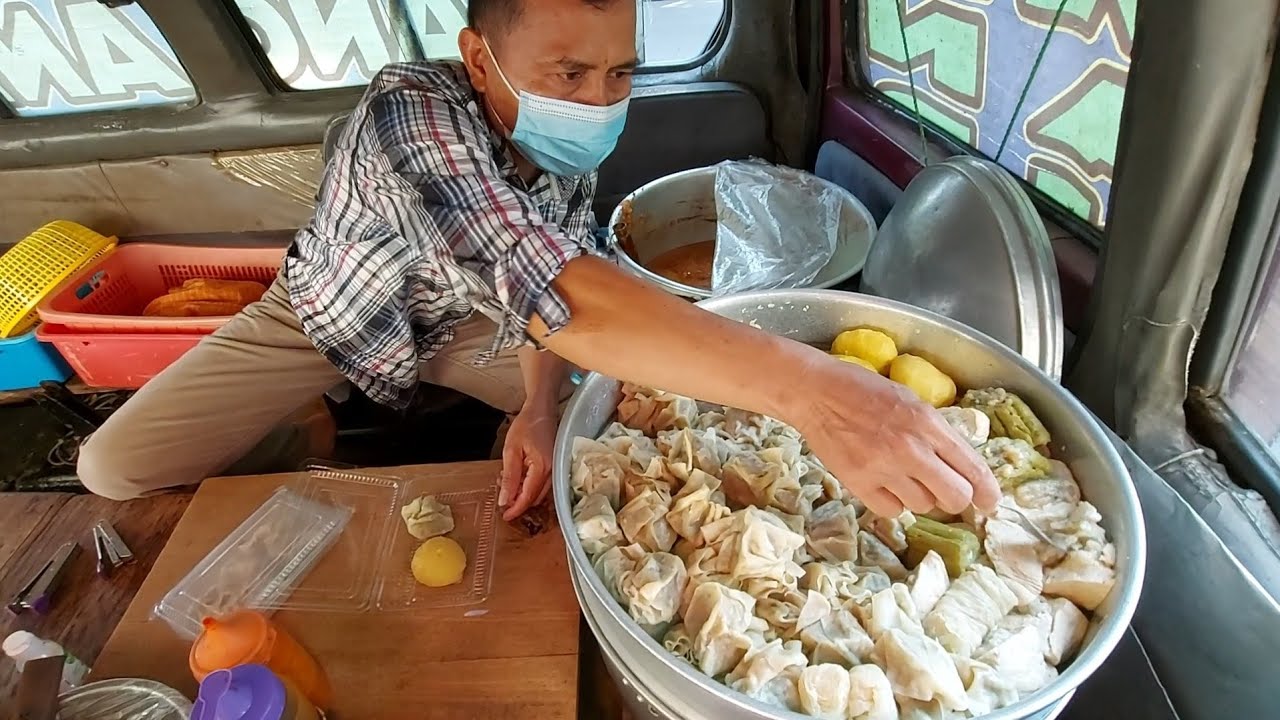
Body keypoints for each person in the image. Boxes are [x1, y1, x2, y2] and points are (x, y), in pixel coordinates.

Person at [76, 0, 999, 522]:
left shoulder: (563, 150)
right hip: (331, 317)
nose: (601, 102)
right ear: (480, 59)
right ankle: (302, 430)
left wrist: (544, 406)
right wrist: (826, 393)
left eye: (621, 74)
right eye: (569, 75)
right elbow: (559, 290)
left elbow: (548, 284)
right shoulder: (409, 117)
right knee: (111, 470)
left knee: (633, 421)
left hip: (467, 323)